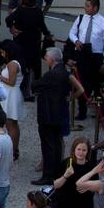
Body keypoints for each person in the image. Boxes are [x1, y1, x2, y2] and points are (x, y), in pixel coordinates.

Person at [68, 0, 104, 120]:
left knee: (97, 84)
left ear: (95, 7)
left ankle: (100, 112)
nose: (85, 8)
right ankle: (82, 111)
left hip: (96, 56)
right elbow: (72, 33)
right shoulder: (81, 18)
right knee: (81, 82)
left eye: (88, 6)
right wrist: (76, 40)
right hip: (82, 54)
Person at [34, 47, 71, 184]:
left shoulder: (52, 74)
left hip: (49, 115)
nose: (45, 59)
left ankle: (48, 174)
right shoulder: (64, 72)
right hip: (59, 113)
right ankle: (55, 171)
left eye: (47, 57)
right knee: (55, 144)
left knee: (48, 145)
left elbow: (36, 85)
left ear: (52, 58)